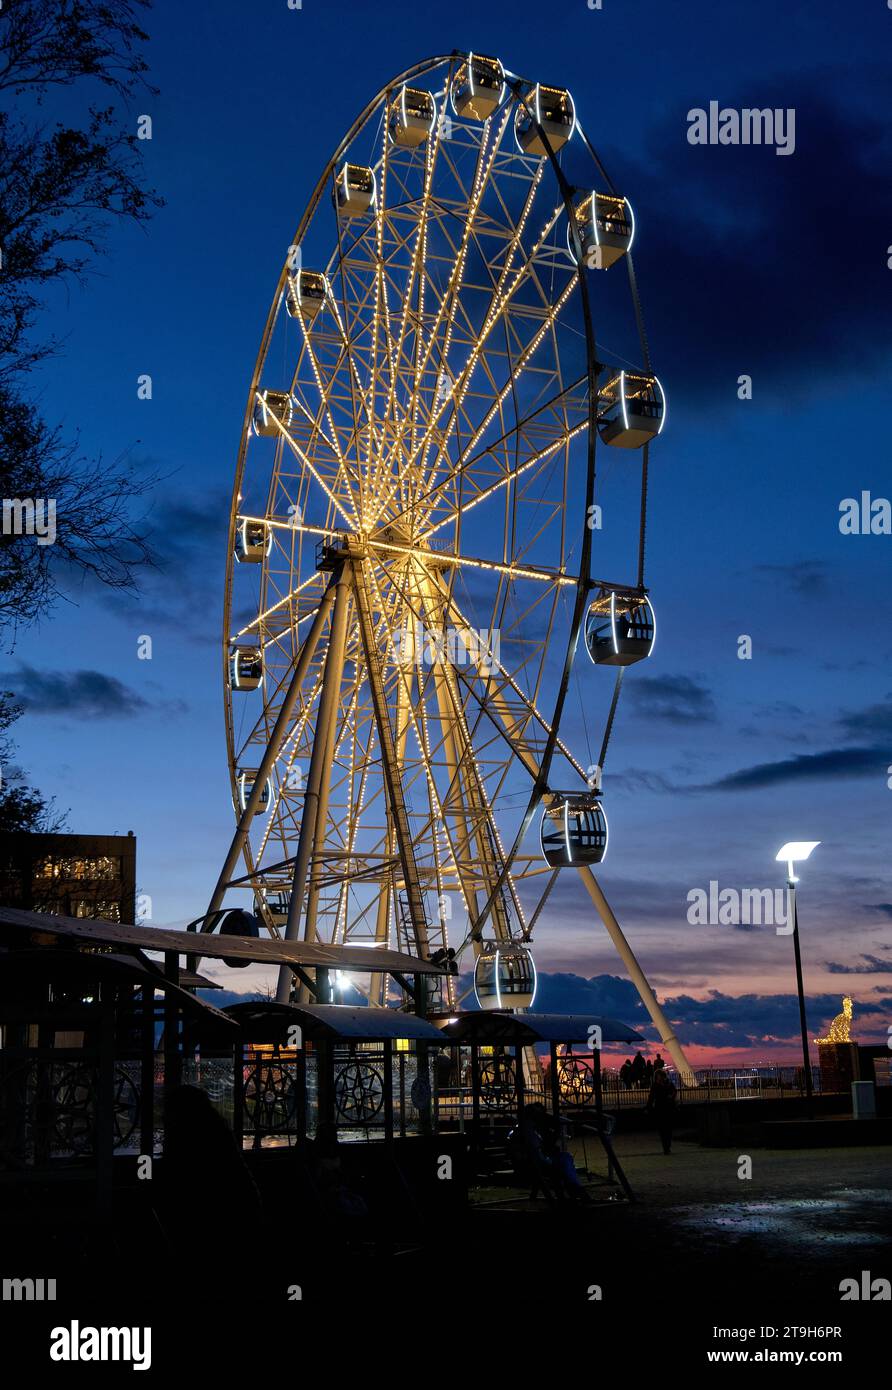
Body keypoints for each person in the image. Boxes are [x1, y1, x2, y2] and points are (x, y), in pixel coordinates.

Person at [646, 1068, 678, 1155]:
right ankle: (666, 1147)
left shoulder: (666, 1084)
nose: (658, 1079)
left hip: (666, 1109)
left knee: (667, 1129)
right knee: (663, 1130)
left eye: (659, 1077)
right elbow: (651, 1097)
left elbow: (674, 1091)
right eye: (657, 1077)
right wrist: (648, 1107)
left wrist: (671, 1097)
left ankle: (667, 1147)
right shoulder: (659, 1085)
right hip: (661, 1109)